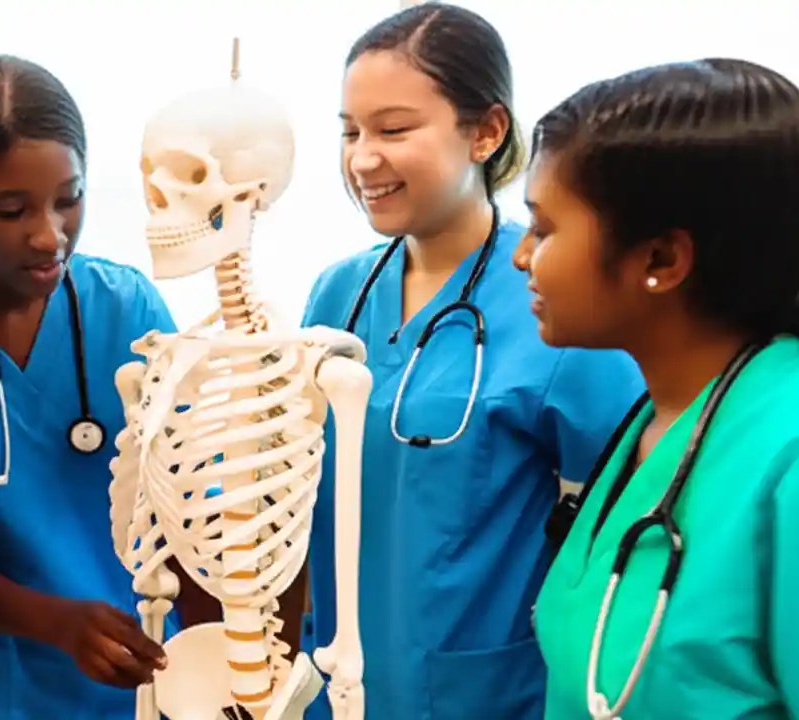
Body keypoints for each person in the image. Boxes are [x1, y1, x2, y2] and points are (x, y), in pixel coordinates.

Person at [295, 4, 645, 718]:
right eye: (350, 130)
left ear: (486, 131)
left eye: (394, 129)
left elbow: (617, 539)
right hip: (338, 686)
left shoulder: (554, 300)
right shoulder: (338, 293)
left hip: (487, 695)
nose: (363, 157)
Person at [0, 54, 183, 719]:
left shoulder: (128, 310)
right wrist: (58, 623)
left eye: (69, 199)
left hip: (141, 671)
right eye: (13, 210)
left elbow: (191, 508)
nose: (51, 235)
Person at [516, 58, 799, 719]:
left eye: (545, 228)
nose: (522, 256)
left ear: (661, 260)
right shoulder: (654, 423)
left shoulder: (786, 447)